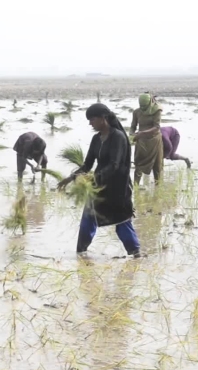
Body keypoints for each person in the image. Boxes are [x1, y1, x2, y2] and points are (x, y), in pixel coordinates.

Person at [58, 103, 141, 257]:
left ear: (103, 118)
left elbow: (115, 165)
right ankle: (81, 252)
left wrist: (94, 177)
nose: (90, 123)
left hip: (117, 187)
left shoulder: (118, 137)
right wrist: (71, 177)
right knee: (88, 218)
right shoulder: (96, 139)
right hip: (97, 186)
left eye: (92, 119)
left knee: (122, 220)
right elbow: (88, 164)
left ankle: (135, 253)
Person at [130, 93, 164, 185]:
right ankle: (135, 187)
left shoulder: (157, 110)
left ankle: (158, 188)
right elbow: (133, 127)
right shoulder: (136, 112)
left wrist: (142, 133)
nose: (143, 108)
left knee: (157, 166)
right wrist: (131, 134)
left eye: (145, 106)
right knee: (139, 165)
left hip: (154, 141)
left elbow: (156, 127)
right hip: (142, 142)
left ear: (149, 103)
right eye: (141, 106)